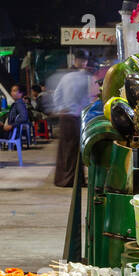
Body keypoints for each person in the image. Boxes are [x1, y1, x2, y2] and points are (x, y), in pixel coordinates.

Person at [51, 50, 92, 187]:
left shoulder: (66, 77)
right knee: (75, 150)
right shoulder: (85, 77)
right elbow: (89, 99)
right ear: (79, 61)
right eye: (83, 60)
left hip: (66, 117)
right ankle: (73, 180)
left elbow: (57, 95)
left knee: (66, 151)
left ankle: (64, 180)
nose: (83, 63)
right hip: (76, 118)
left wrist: (61, 107)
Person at [0, 84, 31, 165]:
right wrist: (4, 125)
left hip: (10, 133)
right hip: (9, 130)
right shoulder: (17, 103)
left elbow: (24, 117)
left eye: (15, 91)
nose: (12, 93)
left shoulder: (19, 104)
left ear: (21, 93)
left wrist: (11, 126)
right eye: (12, 91)